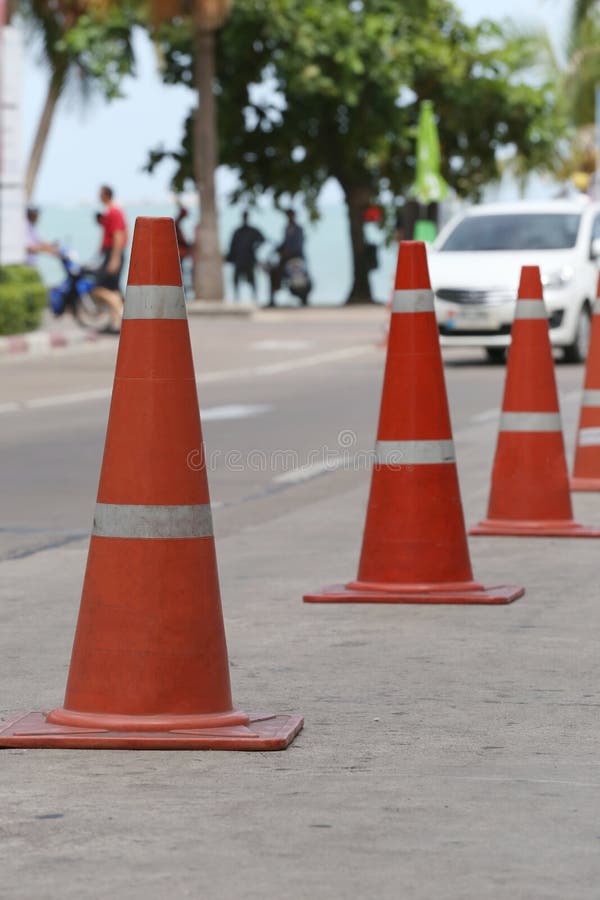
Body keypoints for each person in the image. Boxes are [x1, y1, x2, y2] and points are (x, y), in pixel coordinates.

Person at [94, 185, 128, 332]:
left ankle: (121, 313)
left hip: (114, 253)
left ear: (106, 195)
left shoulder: (114, 211)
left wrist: (115, 259)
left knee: (99, 288)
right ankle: (115, 323)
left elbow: (118, 235)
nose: (98, 196)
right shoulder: (110, 212)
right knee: (113, 289)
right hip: (112, 253)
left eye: (100, 193)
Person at [268, 209, 305, 306]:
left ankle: (301, 294)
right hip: (285, 257)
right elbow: (284, 243)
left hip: (296, 257)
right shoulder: (286, 228)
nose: (289, 218)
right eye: (288, 216)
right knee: (273, 271)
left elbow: (298, 245)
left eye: (291, 215)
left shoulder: (299, 229)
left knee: (281, 270)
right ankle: (273, 296)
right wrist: (278, 249)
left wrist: (288, 252)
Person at [226, 211, 264, 300]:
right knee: (236, 279)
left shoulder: (253, 231)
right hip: (239, 259)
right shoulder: (237, 232)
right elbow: (232, 246)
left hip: (249, 259)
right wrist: (230, 257)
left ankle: (255, 297)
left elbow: (262, 239)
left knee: (252, 280)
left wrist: (255, 247)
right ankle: (236, 297)